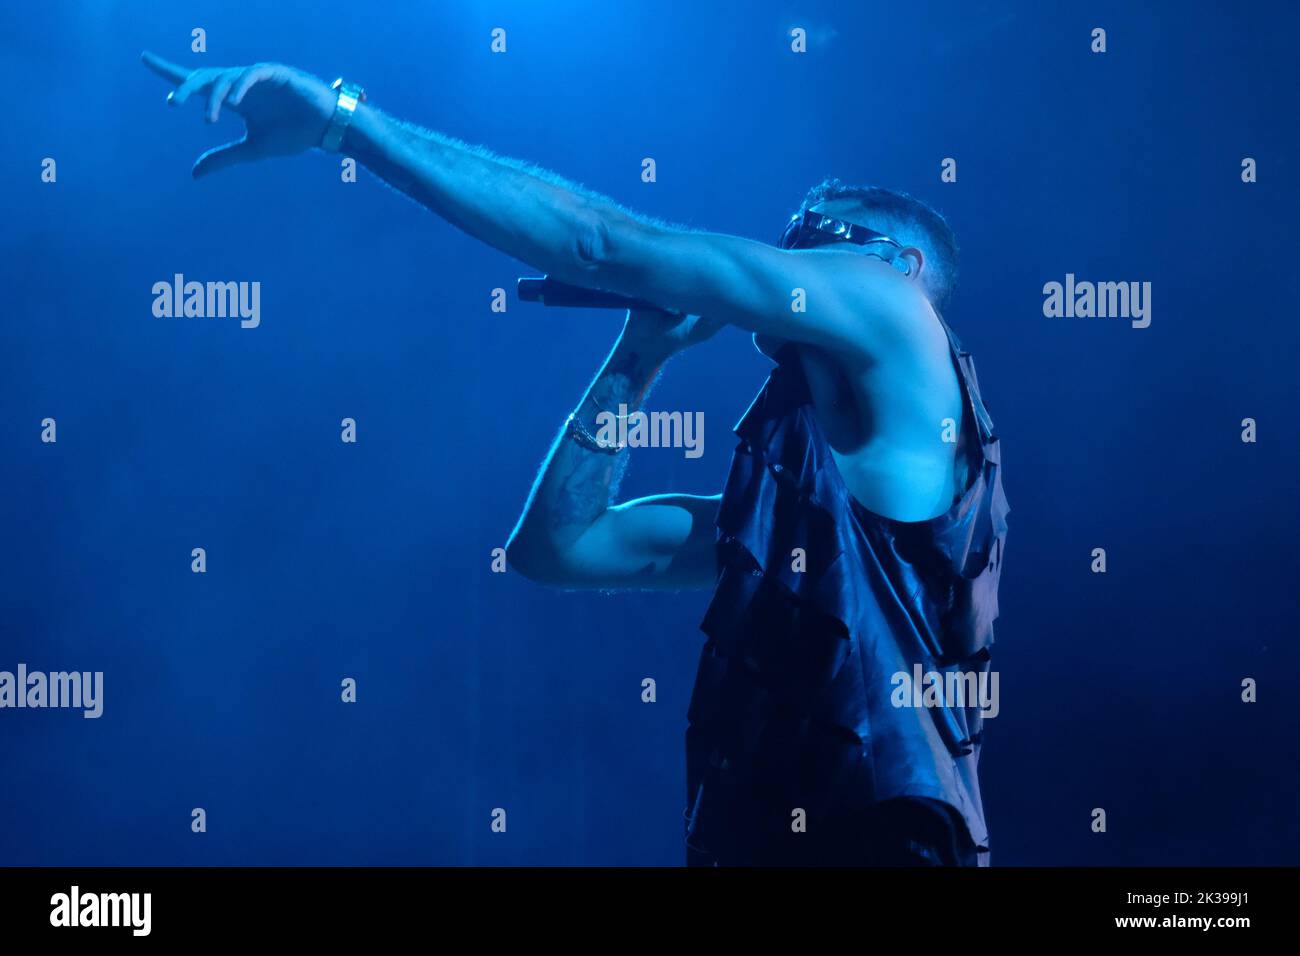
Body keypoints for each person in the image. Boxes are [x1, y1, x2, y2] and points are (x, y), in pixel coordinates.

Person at [142, 52, 1009, 866]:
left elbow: (599, 242)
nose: (780, 258)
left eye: (813, 238)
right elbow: (559, 548)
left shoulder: (894, 304)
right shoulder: (816, 518)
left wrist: (343, 122)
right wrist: (640, 357)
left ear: (898, 263)